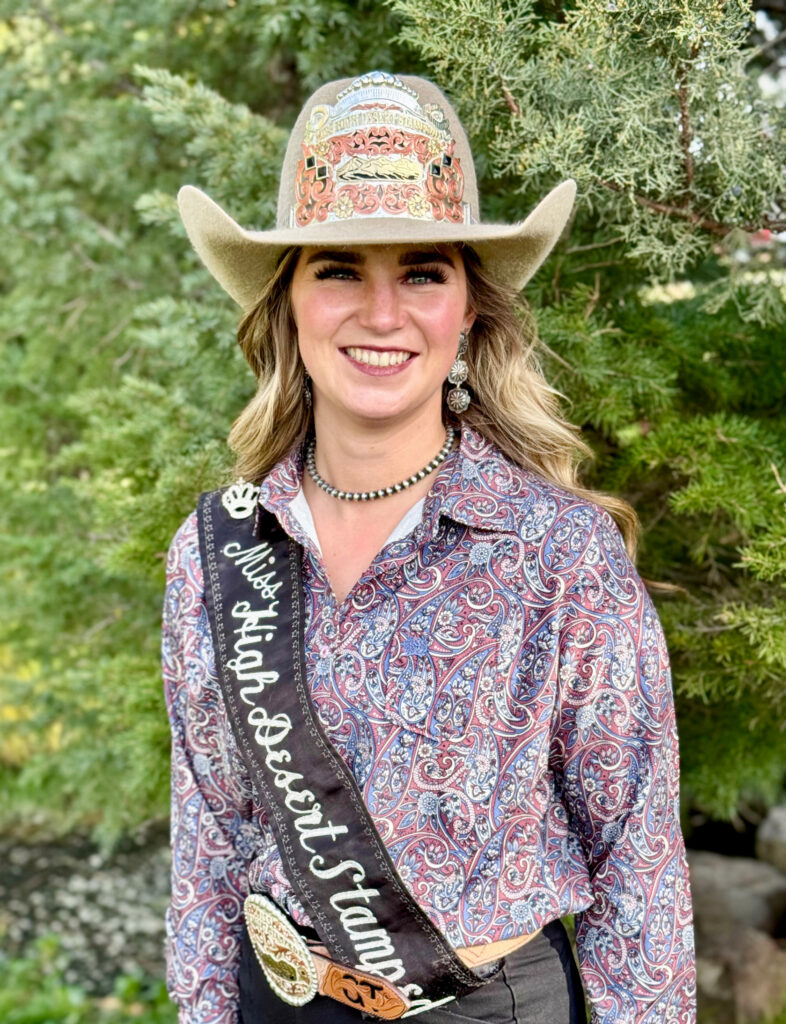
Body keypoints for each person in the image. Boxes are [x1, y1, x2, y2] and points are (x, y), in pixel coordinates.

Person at [162, 71, 696, 1024]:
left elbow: (637, 861)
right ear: (287, 304)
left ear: (469, 310)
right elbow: (211, 832)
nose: (381, 312)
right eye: (337, 269)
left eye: (421, 270)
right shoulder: (216, 550)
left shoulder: (557, 553)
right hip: (282, 1003)